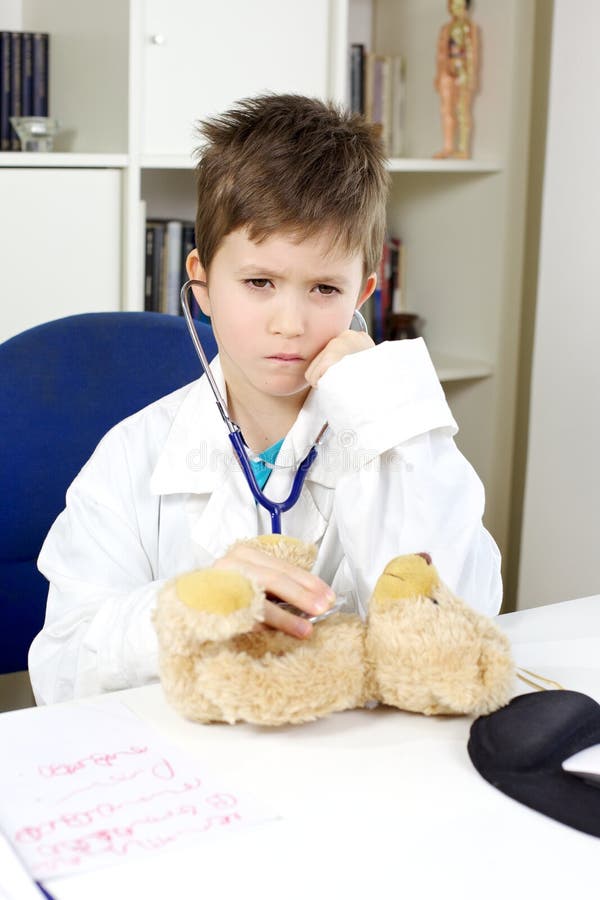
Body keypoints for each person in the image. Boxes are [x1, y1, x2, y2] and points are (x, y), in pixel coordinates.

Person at [29, 94, 501, 705]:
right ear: (200, 284)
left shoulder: (398, 437)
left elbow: (465, 626)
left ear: (365, 292)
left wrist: (398, 420)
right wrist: (182, 610)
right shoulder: (130, 457)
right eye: (259, 282)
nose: (290, 322)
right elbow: (61, 670)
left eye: (324, 288)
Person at [434, 0, 480, 159]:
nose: (455, 8)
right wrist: (439, 75)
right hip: (447, 71)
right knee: (446, 109)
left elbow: (471, 54)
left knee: (462, 110)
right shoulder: (446, 29)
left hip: (462, 73)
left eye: (459, 5)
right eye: (452, 4)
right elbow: (441, 54)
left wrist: (471, 77)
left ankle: (463, 148)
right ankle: (448, 147)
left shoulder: (468, 27)